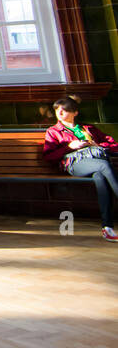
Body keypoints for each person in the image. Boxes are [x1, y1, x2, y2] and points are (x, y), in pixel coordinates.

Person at [42, 96, 118, 242]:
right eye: (58, 110)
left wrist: (98, 145)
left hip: (95, 162)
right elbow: (49, 156)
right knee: (104, 166)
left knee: (100, 177)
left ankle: (107, 227)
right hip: (75, 164)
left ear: (75, 112)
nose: (60, 113)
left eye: (64, 110)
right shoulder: (54, 131)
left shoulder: (87, 128)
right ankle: (107, 227)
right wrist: (68, 147)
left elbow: (113, 144)